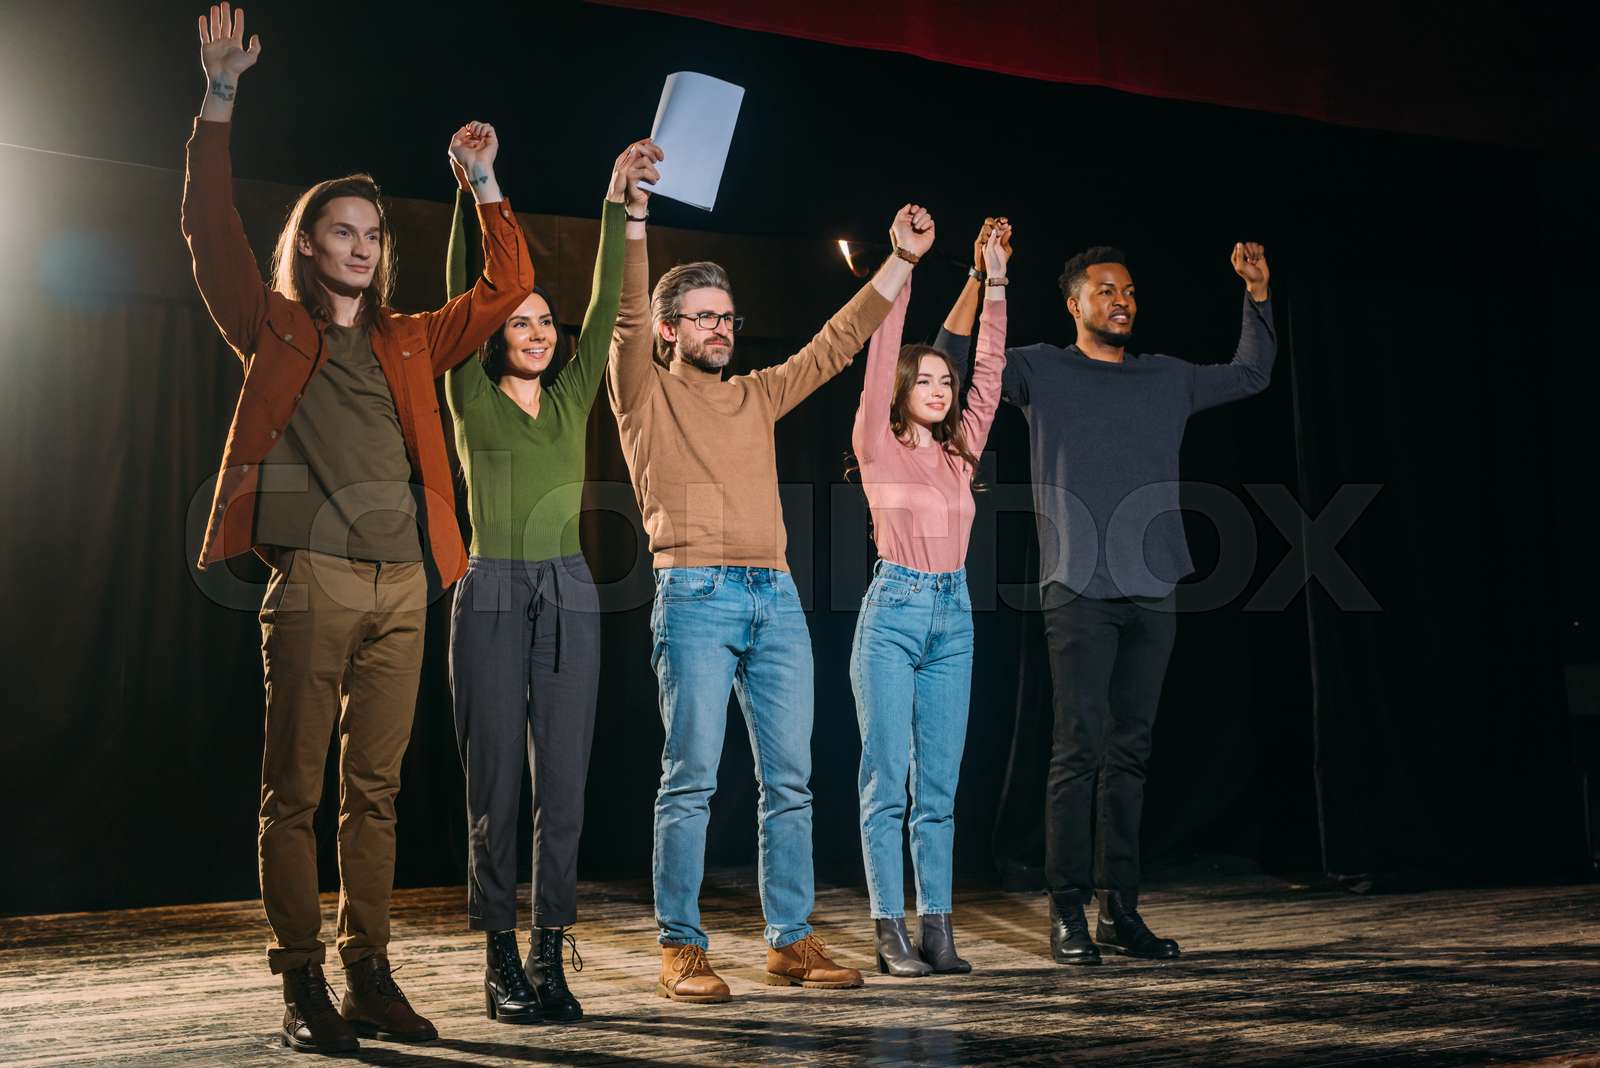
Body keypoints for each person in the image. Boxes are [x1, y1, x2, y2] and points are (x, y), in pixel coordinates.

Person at [181, 4, 532, 1053]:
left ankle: (368, 972)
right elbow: (206, 225)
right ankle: (299, 986)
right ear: (309, 243)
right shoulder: (271, 322)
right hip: (315, 583)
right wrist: (221, 93)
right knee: (294, 794)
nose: (362, 246)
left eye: (374, 236)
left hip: (402, 587)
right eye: (343, 230)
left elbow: (507, 285)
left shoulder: (413, 339)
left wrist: (485, 185)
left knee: (372, 797)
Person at [609, 179, 934, 999]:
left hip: (774, 597)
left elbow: (833, 343)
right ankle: (680, 946)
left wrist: (899, 261)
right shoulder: (642, 393)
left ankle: (790, 942)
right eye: (705, 316)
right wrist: (634, 216)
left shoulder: (754, 395)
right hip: (694, 595)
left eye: (728, 316)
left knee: (790, 781)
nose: (721, 328)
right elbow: (619, 319)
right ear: (669, 329)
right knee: (690, 779)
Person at [935, 228, 1274, 966]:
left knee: (1131, 755)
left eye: (1128, 292)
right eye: (1105, 290)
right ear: (1072, 303)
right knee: (1075, 753)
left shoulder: (1167, 377)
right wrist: (980, 276)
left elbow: (1251, 374)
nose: (1122, 300)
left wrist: (1257, 295)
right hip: (1078, 585)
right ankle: (1067, 915)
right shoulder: (1038, 370)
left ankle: (1122, 911)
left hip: (1154, 587)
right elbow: (955, 361)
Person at [442, 140, 658, 1025]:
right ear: (494, 335)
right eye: (519, 322)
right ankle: (498, 957)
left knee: (561, 786)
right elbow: (466, 288)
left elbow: (610, 304)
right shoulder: (467, 390)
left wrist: (617, 199)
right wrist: (476, 189)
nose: (535, 333)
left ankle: (547, 951)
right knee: (495, 787)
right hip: (490, 588)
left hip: (570, 592)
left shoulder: (573, 397)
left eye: (544, 323)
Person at [849, 221, 1010, 977]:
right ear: (904, 390)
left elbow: (993, 371)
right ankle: (889, 930)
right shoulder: (876, 444)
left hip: (955, 616)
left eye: (947, 383)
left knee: (937, 787)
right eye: (928, 379)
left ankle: (938, 929)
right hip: (894, 614)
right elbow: (883, 350)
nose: (941, 389)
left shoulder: (960, 451)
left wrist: (998, 280)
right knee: (888, 779)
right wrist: (905, 263)